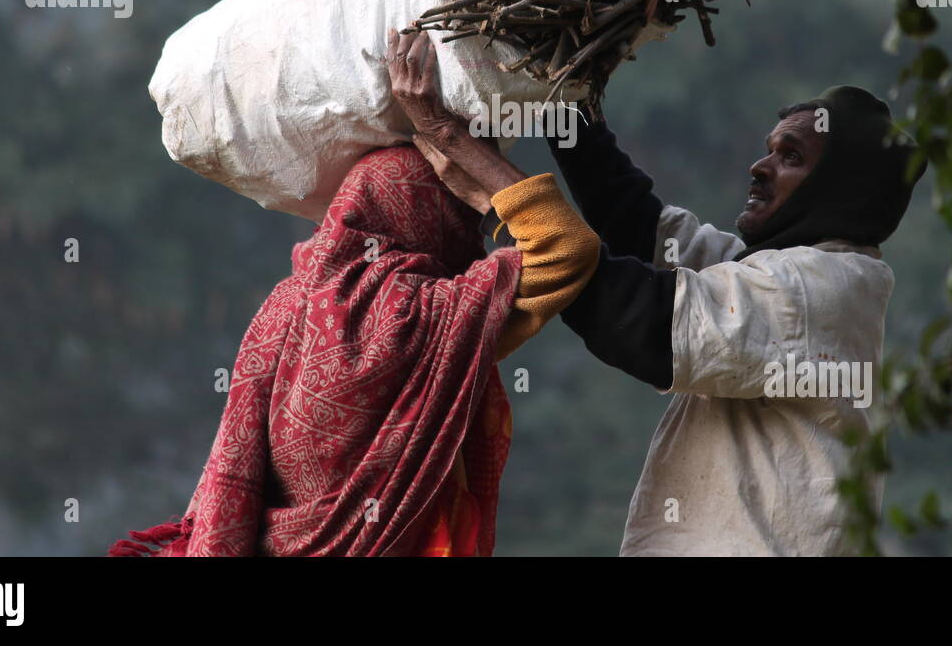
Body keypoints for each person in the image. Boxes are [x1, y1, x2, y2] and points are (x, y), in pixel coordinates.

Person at [107, 31, 598, 556]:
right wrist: (447, 138)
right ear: (436, 230)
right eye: (468, 227)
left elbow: (235, 470)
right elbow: (566, 247)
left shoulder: (283, 309)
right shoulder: (426, 319)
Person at [539, 84, 927, 555]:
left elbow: (644, 324)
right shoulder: (783, 274)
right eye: (769, 152)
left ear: (836, 190)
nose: (759, 168)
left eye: (791, 158)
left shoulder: (811, 290)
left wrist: (500, 193)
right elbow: (640, 228)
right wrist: (564, 105)